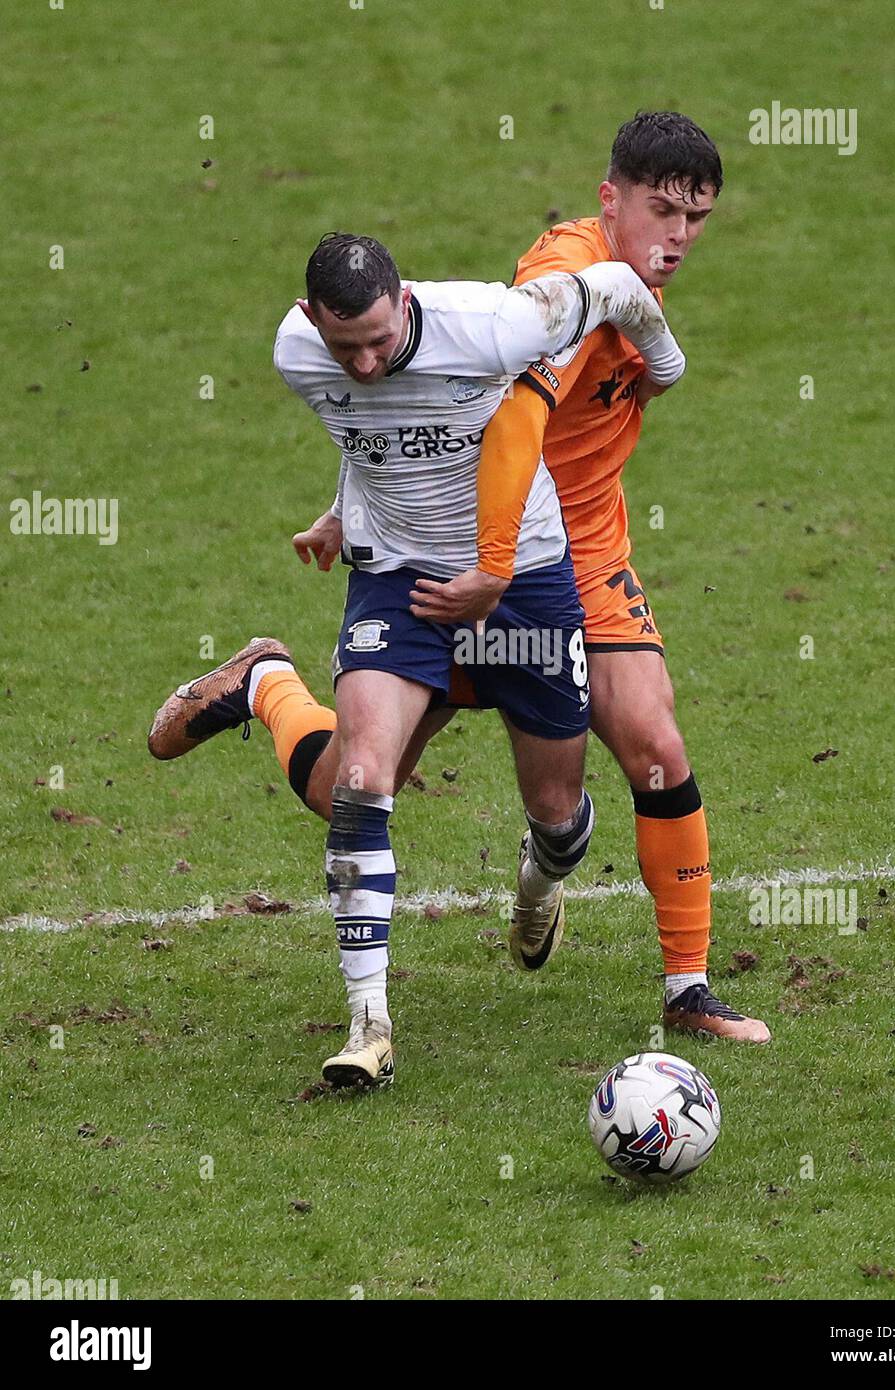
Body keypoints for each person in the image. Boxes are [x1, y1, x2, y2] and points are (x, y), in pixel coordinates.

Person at [149, 231, 686, 1089]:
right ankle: (369, 1025)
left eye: (377, 341)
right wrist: (341, 510)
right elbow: (364, 427)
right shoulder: (299, 353)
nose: (362, 363)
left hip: (524, 581)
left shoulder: (500, 324)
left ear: (404, 305)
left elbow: (619, 283)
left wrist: (665, 363)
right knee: (360, 783)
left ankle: (538, 877)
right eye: (342, 345)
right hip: (398, 581)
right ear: (308, 320)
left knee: (559, 815)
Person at [410, 112, 771, 1044]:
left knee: (655, 747)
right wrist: (492, 566)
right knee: (356, 783)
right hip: (490, 548)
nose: (681, 239)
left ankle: (688, 990)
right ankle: (263, 686)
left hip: (591, 551)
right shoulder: (561, 282)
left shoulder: (639, 276)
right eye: (663, 213)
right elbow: (510, 418)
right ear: (610, 199)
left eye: (697, 219)